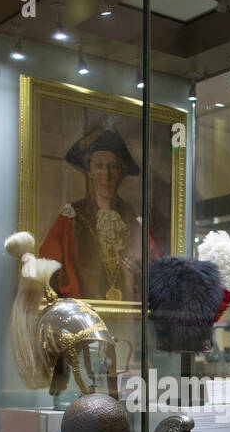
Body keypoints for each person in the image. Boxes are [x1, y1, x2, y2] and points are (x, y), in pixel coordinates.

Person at [39, 122, 158, 301]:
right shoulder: (72, 216)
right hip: (83, 318)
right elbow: (46, 268)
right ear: (90, 171)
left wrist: (138, 271)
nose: (107, 175)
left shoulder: (134, 220)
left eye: (114, 167)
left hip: (129, 317)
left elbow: (155, 267)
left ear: (121, 172)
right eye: (99, 166)